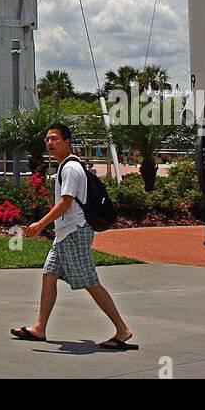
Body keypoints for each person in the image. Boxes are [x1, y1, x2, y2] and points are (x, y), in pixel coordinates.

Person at [11, 122, 136, 349]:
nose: (50, 143)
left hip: (74, 232)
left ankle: (122, 329)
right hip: (64, 234)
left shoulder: (69, 168)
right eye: (48, 139)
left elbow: (66, 203)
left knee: (90, 282)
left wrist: (40, 224)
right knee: (49, 275)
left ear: (67, 142)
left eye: (55, 139)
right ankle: (40, 328)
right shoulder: (67, 166)